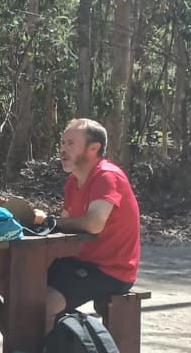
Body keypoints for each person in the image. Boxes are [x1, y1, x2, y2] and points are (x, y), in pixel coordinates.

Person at [41, 118, 142, 324]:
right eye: (62, 143)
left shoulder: (107, 176)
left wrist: (52, 221)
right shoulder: (73, 181)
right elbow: (65, 229)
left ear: (94, 148)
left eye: (71, 144)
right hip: (78, 261)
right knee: (19, 287)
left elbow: (93, 224)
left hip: (110, 271)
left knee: (45, 303)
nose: (63, 149)